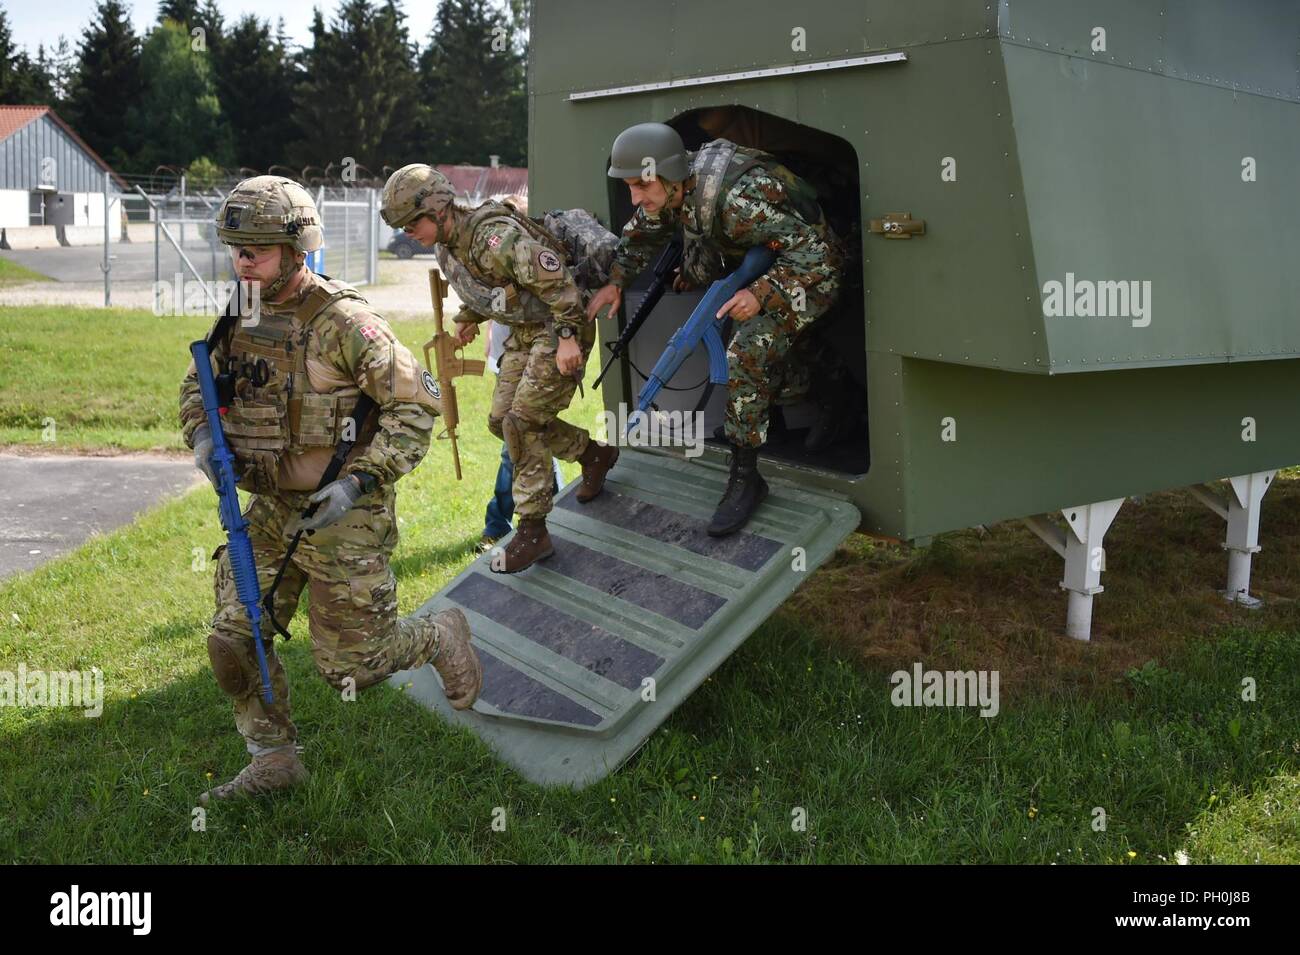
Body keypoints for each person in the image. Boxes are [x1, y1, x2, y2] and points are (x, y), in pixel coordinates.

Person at [181, 176, 482, 805]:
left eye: (255, 251)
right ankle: (274, 761)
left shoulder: (345, 322)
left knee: (353, 667)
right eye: (236, 249)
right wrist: (206, 443)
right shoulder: (240, 311)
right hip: (266, 514)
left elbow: (416, 407)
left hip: (345, 516)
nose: (242, 263)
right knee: (233, 643)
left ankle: (440, 634)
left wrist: (358, 482)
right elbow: (198, 387)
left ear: (297, 249)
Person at [587, 123, 847, 535]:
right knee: (763, 342)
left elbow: (816, 253)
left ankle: (747, 477)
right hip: (772, 263)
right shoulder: (676, 190)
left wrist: (761, 293)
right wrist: (617, 280)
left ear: (671, 177)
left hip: (811, 272)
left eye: (642, 186)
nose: (636, 198)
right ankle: (815, 402)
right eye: (630, 187)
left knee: (745, 352)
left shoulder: (739, 199)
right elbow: (643, 231)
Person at [380, 165, 620, 573]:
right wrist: (467, 316)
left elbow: (557, 281)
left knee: (522, 423)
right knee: (499, 421)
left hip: (561, 323)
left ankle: (532, 530)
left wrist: (565, 338)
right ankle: (593, 454)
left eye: (411, 223)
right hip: (526, 331)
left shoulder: (494, 237)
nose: (408, 234)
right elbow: (490, 286)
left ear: (438, 210)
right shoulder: (447, 244)